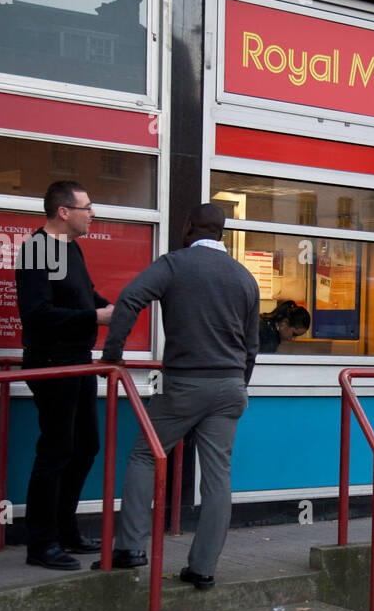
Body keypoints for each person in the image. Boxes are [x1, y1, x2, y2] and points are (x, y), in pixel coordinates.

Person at [99, 203, 260, 589]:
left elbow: (130, 299)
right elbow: (252, 347)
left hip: (186, 384)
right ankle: (203, 570)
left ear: (189, 226)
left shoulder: (174, 264)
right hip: (231, 386)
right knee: (218, 477)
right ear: (222, 233)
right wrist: (239, 383)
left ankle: (130, 549)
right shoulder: (244, 277)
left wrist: (113, 355)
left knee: (144, 455)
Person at [15, 180, 113, 571]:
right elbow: (35, 313)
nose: (93, 214)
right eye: (87, 207)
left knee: (86, 444)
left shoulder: (70, 247)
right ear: (63, 212)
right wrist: (94, 316)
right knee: (55, 450)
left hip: (78, 360)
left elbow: (83, 296)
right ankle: (41, 543)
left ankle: (65, 529)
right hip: (51, 362)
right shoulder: (38, 250)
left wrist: (114, 307)